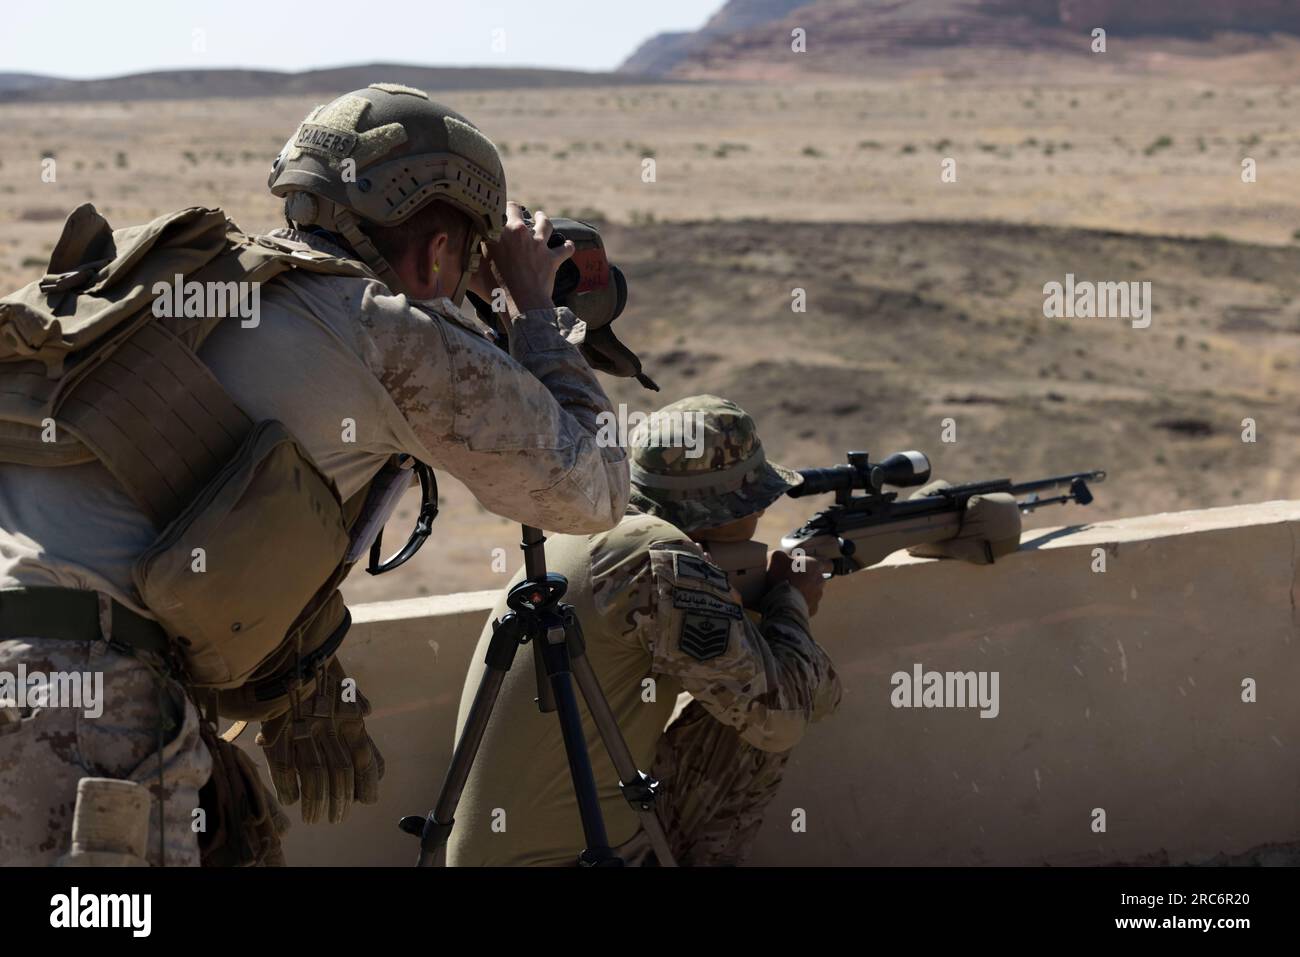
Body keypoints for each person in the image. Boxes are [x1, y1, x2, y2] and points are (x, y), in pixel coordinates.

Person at [0, 83, 629, 866]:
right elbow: (593, 486)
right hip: (85, 706)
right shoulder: (381, 330)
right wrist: (534, 309)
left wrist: (303, 669)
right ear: (440, 253)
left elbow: (186, 501)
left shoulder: (180, 284)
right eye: (467, 254)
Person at [447, 394, 841, 867]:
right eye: (757, 502)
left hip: (519, 854)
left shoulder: (591, 535)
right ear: (732, 508)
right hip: (582, 860)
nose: (759, 516)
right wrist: (791, 601)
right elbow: (784, 717)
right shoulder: (660, 557)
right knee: (753, 722)